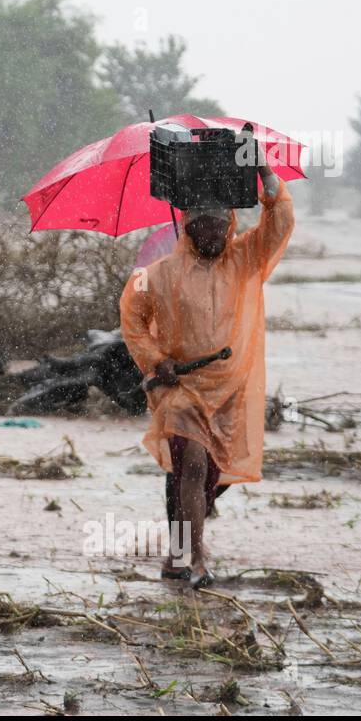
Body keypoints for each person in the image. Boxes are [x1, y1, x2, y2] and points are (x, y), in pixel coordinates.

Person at [119, 150, 293, 589]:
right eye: (203, 224)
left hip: (231, 392)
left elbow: (281, 222)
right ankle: (196, 560)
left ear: (230, 224)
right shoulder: (158, 274)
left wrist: (264, 173)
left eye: (220, 224)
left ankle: (177, 551)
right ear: (189, 227)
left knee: (208, 479)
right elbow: (131, 314)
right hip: (181, 391)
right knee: (192, 467)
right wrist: (157, 360)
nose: (212, 232)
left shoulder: (246, 258)